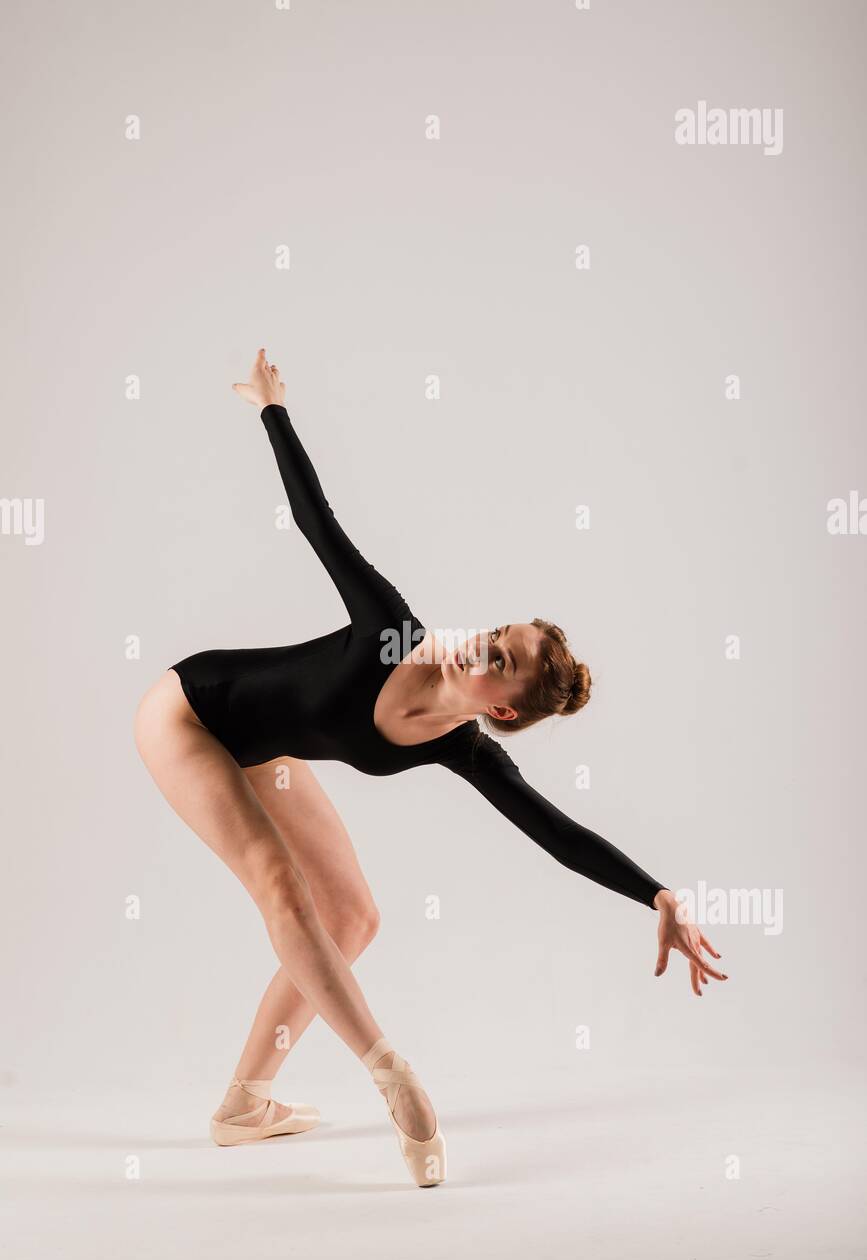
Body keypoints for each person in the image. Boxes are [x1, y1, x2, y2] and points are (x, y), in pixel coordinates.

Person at [133, 349, 727, 1188]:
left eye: (497, 657)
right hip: (186, 710)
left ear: (502, 709)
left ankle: (244, 1105)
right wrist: (272, 408)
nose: (479, 643)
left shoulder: (461, 748)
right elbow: (317, 523)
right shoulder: (393, 630)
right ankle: (388, 1071)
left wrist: (658, 894)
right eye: (495, 632)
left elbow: (556, 833)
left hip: (258, 751)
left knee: (353, 916)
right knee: (280, 886)